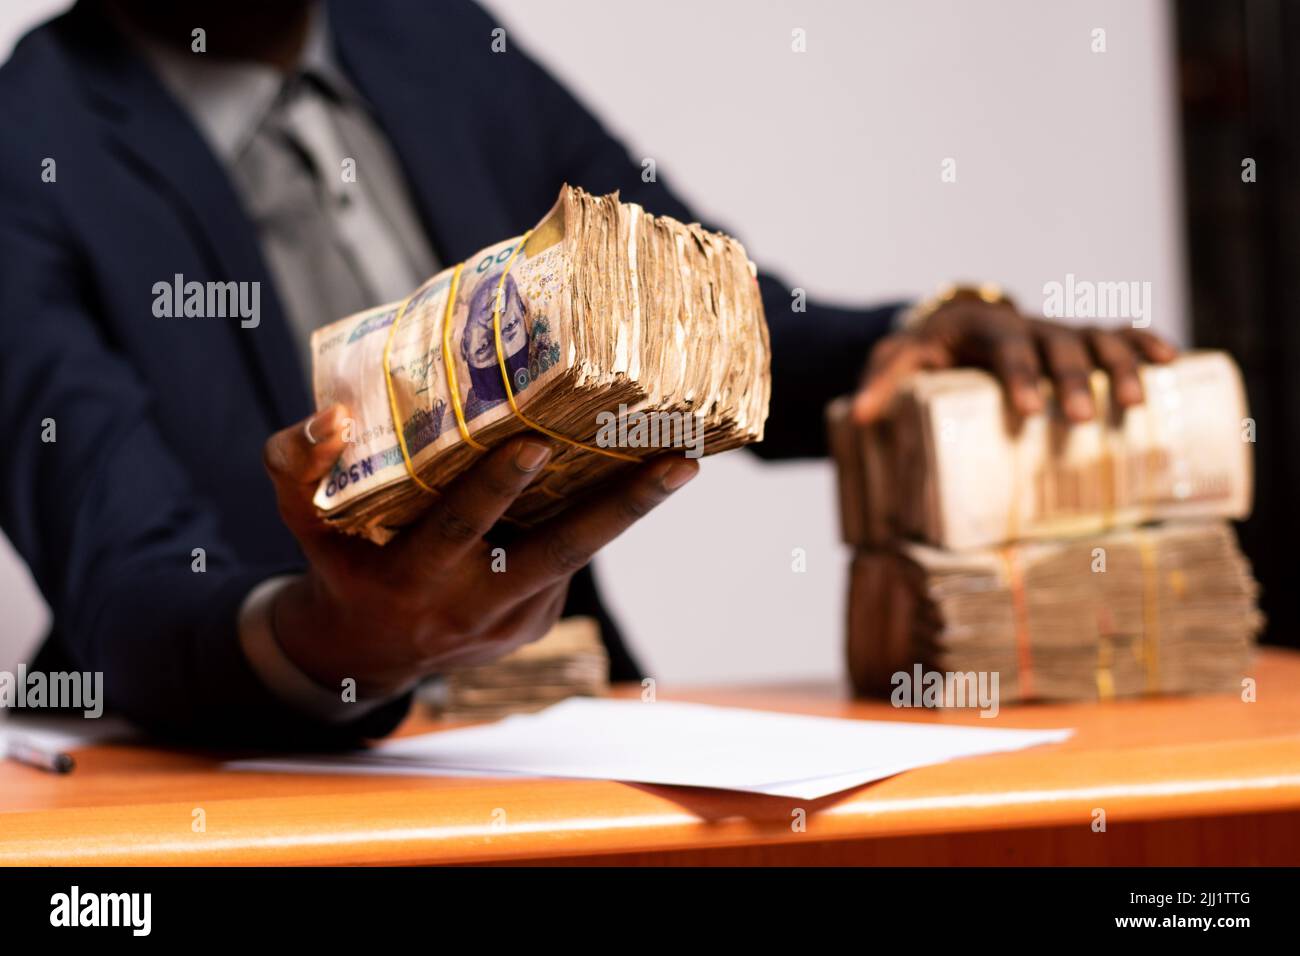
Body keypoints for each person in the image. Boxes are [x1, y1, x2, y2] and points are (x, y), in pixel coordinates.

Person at [0, 0, 1175, 747]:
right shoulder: (28, 137)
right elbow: (119, 567)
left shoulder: (441, 42)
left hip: (562, 738)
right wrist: (339, 642)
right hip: (223, 757)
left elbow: (706, 313)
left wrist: (912, 338)